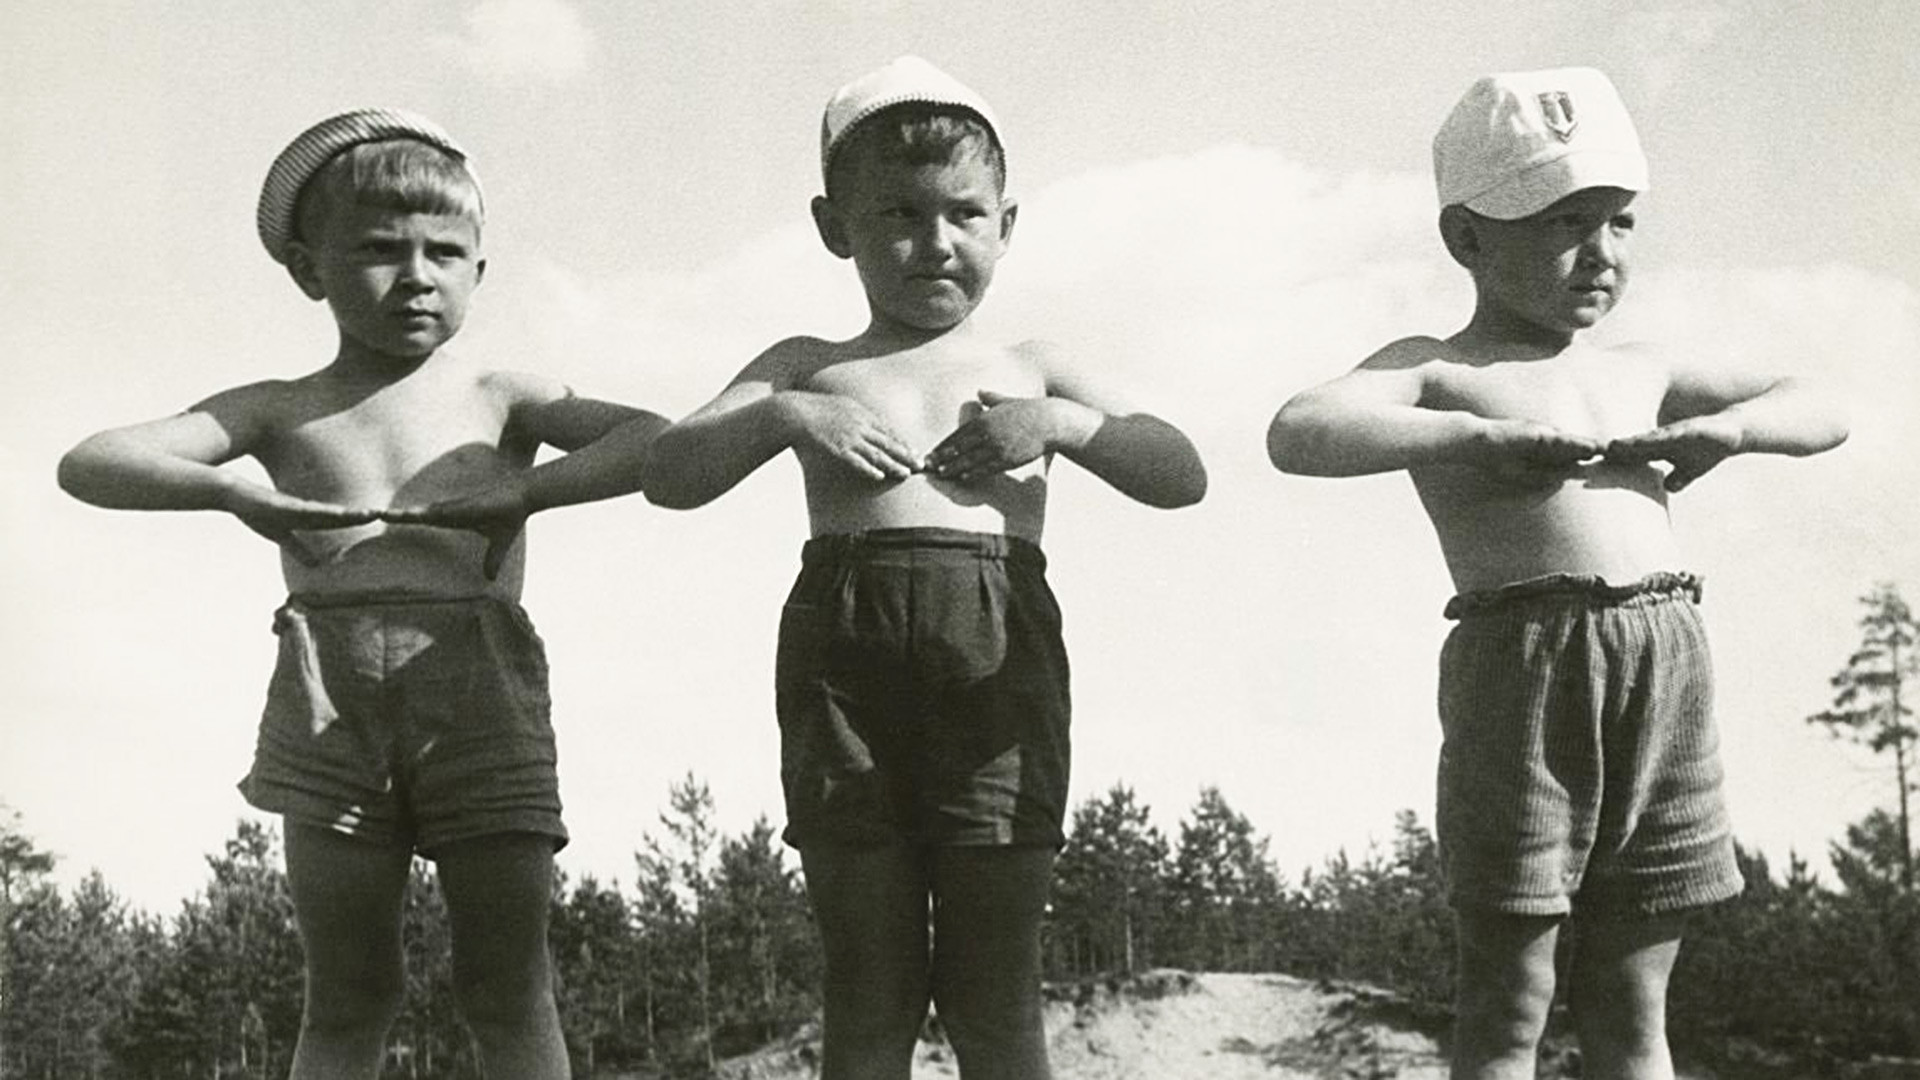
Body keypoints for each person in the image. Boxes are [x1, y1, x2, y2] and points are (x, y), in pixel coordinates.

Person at [57, 108, 667, 1080]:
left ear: (479, 269)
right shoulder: (278, 406)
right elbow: (93, 461)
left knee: (508, 987)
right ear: (310, 268)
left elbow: (651, 438)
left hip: (478, 692)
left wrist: (527, 488)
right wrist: (227, 489)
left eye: (443, 250)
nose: (415, 273)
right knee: (348, 994)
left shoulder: (503, 395)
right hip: (328, 699)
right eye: (380, 249)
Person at [1267, 68, 1847, 1080]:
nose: (1602, 253)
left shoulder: (1639, 365)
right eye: (1564, 222)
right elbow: (1299, 429)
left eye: (1620, 222)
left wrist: (1733, 429)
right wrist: (1465, 439)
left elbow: (1824, 401)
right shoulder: (1442, 368)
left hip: (1667, 668)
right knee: (1511, 998)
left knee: (1633, 1000)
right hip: (1525, 673)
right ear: (1470, 239)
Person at [643, 56, 1206, 1080]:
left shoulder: (1032, 367)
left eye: (965, 214)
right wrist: (783, 415)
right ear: (833, 227)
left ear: (1007, 223)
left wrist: (1067, 426)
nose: (935, 242)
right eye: (898, 213)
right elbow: (670, 474)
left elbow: (1181, 471)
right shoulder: (808, 363)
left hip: (998, 674)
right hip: (843, 678)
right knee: (870, 988)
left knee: (994, 992)